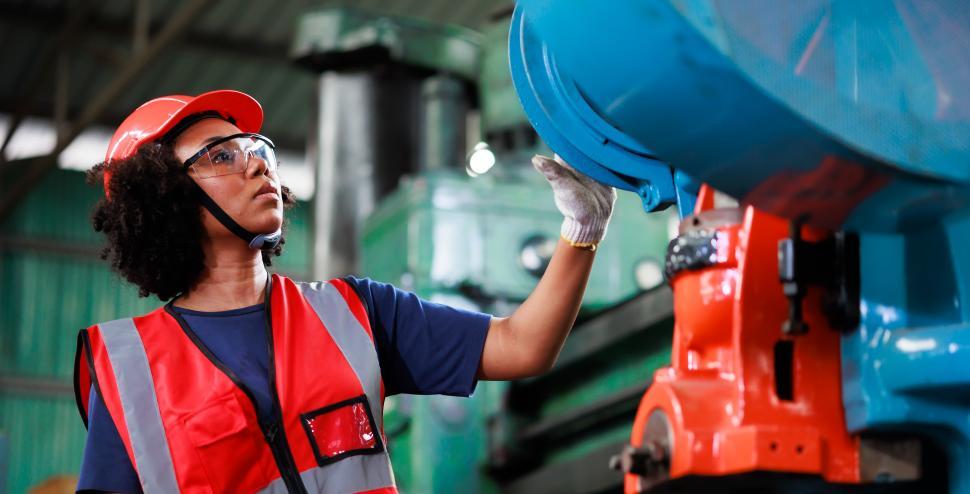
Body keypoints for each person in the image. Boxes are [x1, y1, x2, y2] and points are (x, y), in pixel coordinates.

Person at [73, 90, 615, 494]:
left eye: (256, 148)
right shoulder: (127, 371)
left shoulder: (355, 312)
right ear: (162, 196)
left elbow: (523, 346)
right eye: (221, 156)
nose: (259, 162)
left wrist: (581, 232)